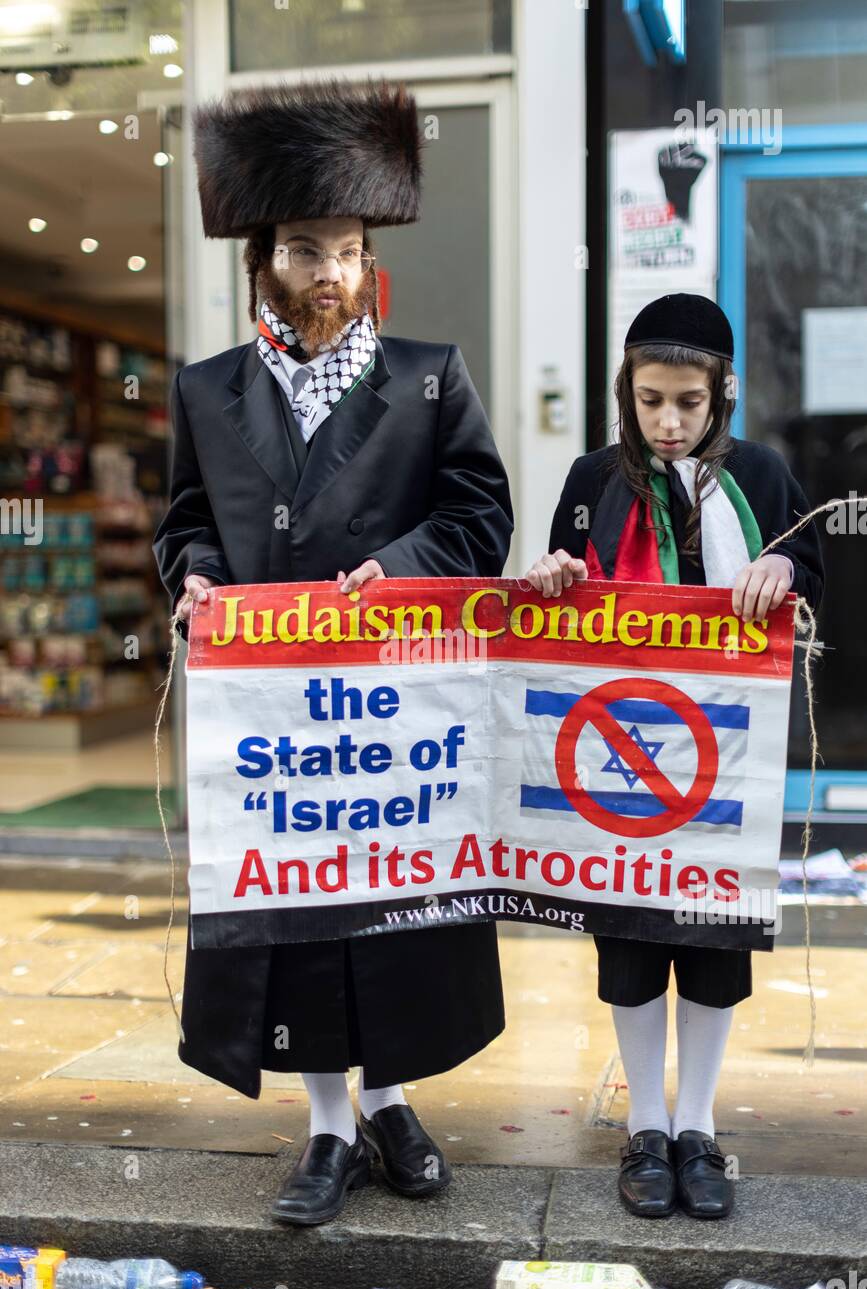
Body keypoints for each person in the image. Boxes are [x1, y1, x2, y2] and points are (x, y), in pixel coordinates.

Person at [152, 79, 513, 1226]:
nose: (330, 273)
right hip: (271, 711)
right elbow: (183, 521)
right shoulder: (205, 391)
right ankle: (325, 1128)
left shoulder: (430, 374)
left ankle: (391, 1101)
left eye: (348, 251)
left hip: (398, 699)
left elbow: (480, 515)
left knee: (393, 906)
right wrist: (195, 575)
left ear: (369, 263)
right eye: (307, 249)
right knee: (299, 911)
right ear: (264, 259)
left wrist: (400, 566)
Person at [524, 293, 824, 1220]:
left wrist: (787, 574)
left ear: (721, 393)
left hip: (723, 760)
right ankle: (643, 1128)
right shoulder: (589, 478)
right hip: (618, 753)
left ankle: (697, 1127)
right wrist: (553, 578)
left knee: (712, 945)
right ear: (626, 389)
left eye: (687, 402)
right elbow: (554, 585)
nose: (666, 421)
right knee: (627, 940)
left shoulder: (768, 477)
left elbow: (811, 592)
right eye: (649, 399)